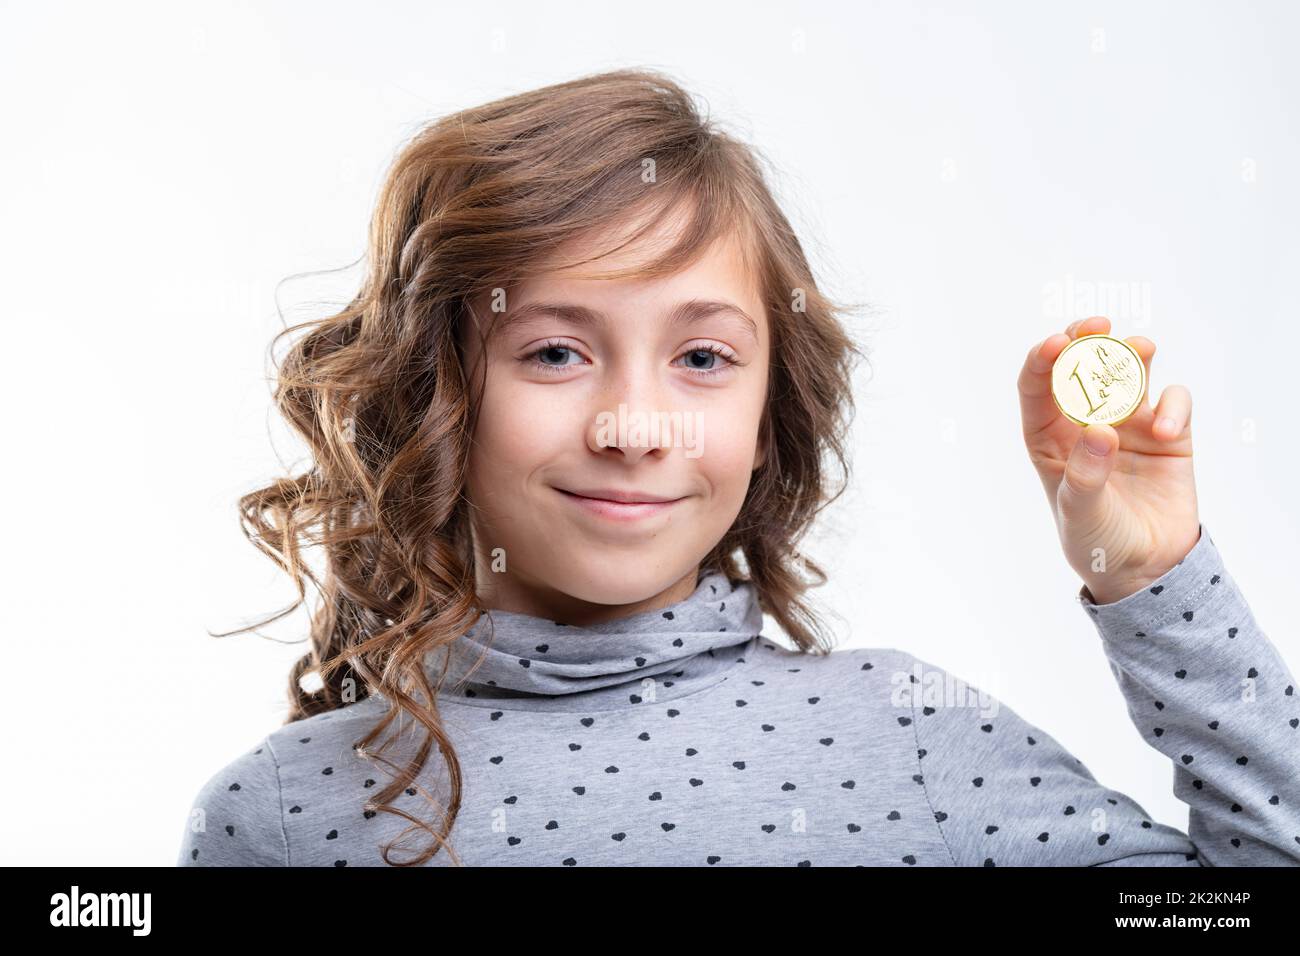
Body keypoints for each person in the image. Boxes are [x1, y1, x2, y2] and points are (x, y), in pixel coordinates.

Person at [176, 68, 1299, 867]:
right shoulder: (279, 814)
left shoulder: (915, 737)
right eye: (556, 351)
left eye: (702, 357)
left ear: (770, 416)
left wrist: (1157, 583)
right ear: (436, 390)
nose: (633, 423)